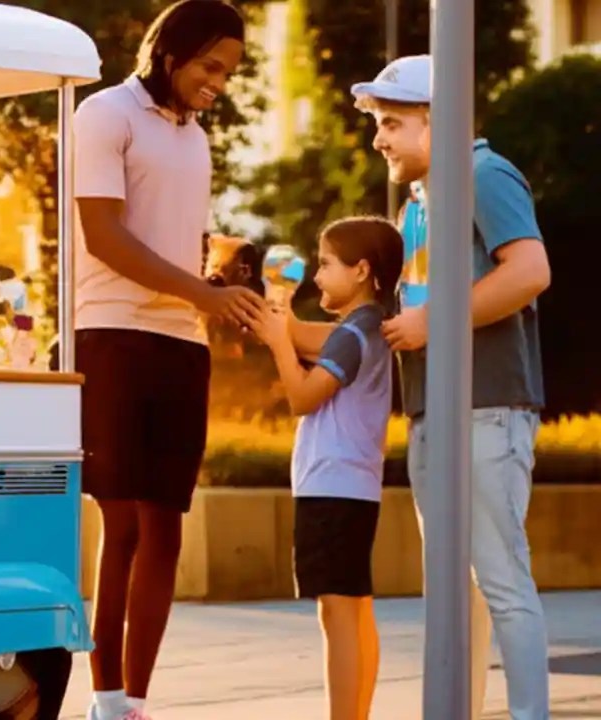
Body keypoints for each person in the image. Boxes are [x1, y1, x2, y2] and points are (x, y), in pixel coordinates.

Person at [291, 54, 552, 720]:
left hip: (489, 408)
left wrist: (434, 321)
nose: (379, 138)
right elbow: (385, 325)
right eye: (378, 122)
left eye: (393, 122)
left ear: (438, 120)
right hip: (435, 412)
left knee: (501, 583)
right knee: (452, 594)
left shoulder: (481, 174)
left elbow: (529, 271)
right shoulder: (418, 208)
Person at [70, 2, 268, 718]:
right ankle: (105, 699)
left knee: (166, 526)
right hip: (113, 336)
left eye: (230, 71)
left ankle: (136, 704)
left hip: (184, 343)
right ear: (170, 54)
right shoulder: (104, 114)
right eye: (211, 66)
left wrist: (225, 290)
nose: (219, 82)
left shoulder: (196, 137)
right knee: (120, 523)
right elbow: (103, 236)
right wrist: (198, 292)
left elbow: (179, 239)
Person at [250, 217, 403, 720]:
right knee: (355, 609)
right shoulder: (368, 328)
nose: (317, 276)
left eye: (326, 265)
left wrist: (277, 342)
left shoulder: (350, 337)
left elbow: (301, 397)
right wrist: (277, 298)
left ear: (361, 270)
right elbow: (293, 331)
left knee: (336, 612)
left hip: (331, 487)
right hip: (354, 487)